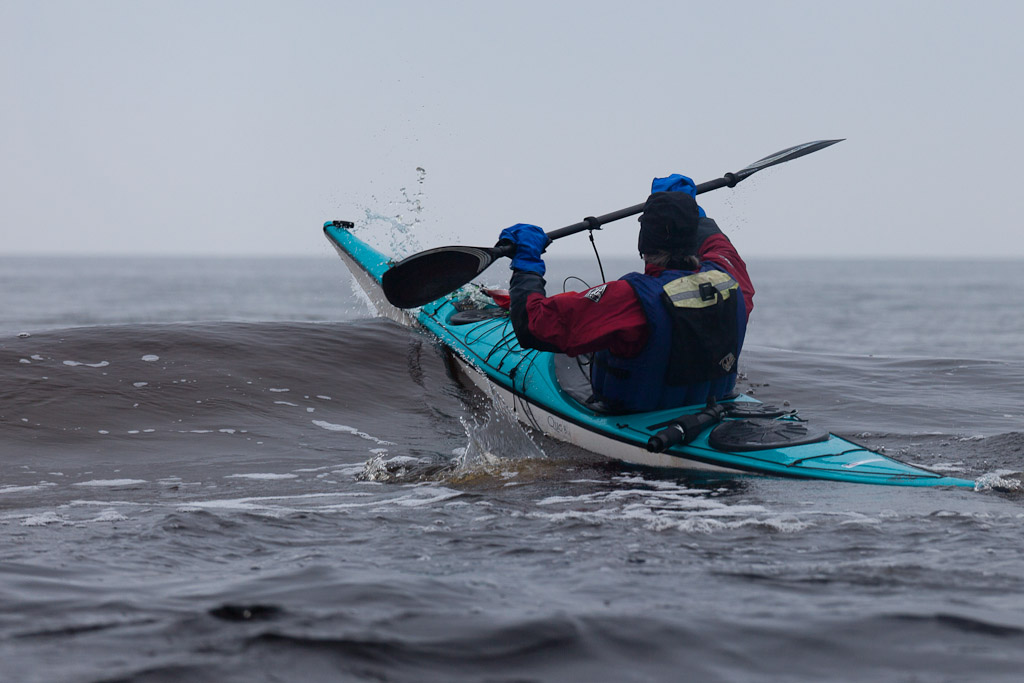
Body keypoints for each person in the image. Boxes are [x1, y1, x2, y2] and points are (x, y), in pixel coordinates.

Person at [497, 174, 755, 414]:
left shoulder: (630, 298)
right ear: (692, 235)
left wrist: (527, 263)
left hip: (637, 417)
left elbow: (532, 326)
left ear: (643, 243)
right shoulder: (728, 278)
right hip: (711, 408)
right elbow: (719, 246)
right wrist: (687, 211)